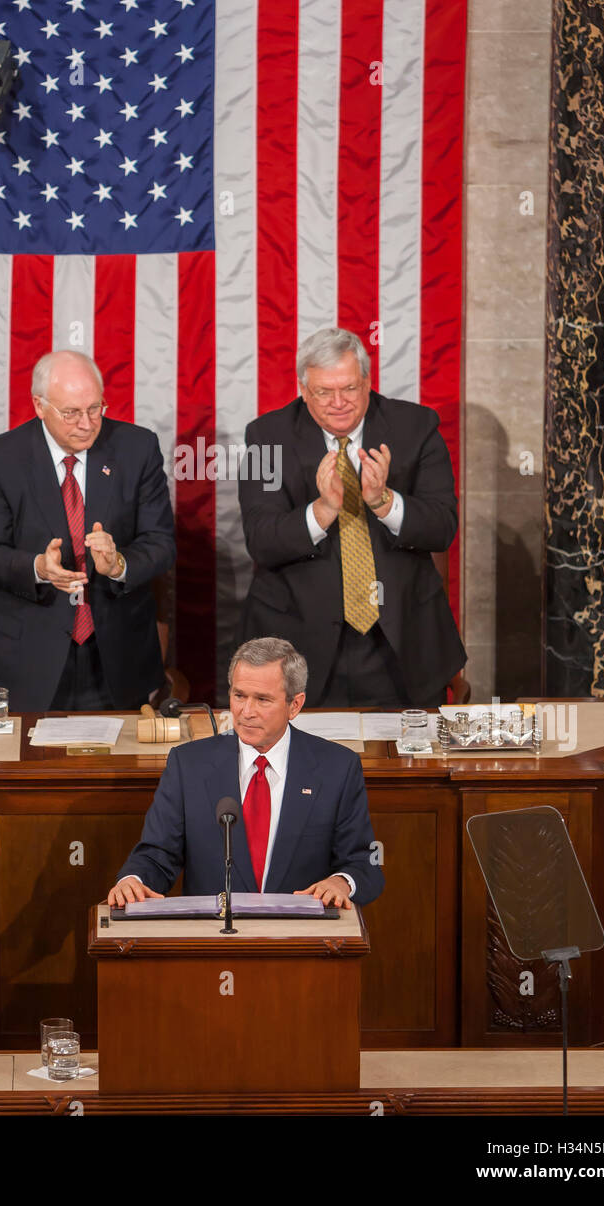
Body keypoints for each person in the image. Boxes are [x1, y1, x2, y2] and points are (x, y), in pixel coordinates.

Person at [238, 327, 466, 707]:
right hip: (299, 644)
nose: (338, 402)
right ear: (303, 389)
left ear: (368, 381)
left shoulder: (417, 427)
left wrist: (385, 502)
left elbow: (443, 527)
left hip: (401, 640)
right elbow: (260, 539)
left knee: (409, 763)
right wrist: (322, 510)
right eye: (324, 392)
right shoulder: (266, 437)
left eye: (350, 388)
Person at [0, 349, 175, 711]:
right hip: (29, 658)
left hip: (117, 656)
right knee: (29, 768)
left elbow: (161, 544)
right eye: (71, 412)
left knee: (123, 767)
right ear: (39, 405)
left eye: (95, 408)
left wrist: (119, 564)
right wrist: (37, 568)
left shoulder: (136, 449)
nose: (87, 423)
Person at [108, 637, 384, 909]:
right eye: (239, 696)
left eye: (262, 699)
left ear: (295, 705)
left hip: (300, 941)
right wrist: (133, 880)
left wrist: (342, 882)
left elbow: (363, 863)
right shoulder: (188, 765)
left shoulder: (337, 768)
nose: (246, 712)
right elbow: (157, 855)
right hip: (215, 941)